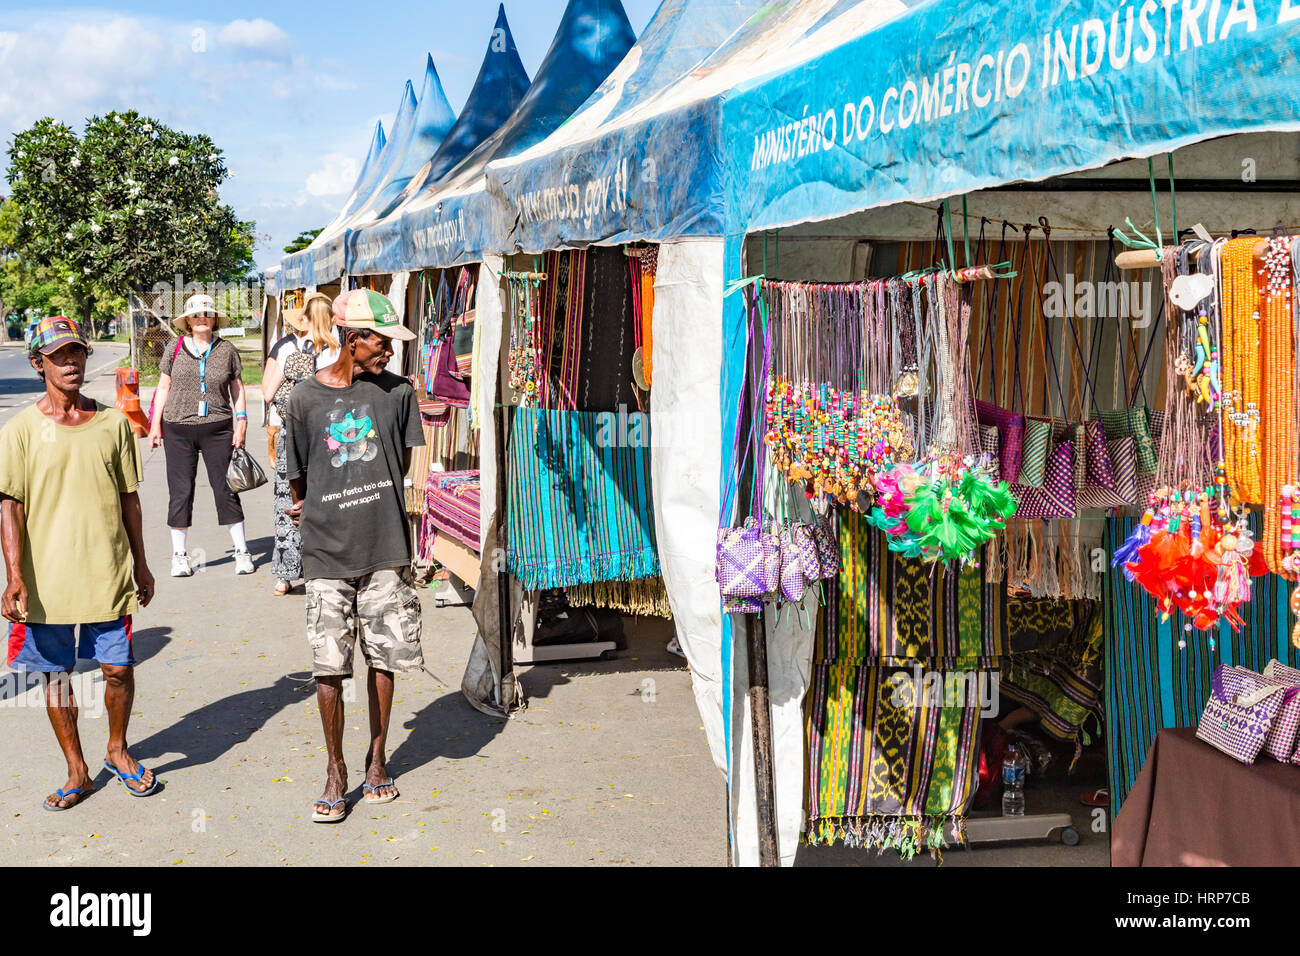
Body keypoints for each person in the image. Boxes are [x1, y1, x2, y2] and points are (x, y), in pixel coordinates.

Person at [0, 316, 158, 810]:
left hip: (106, 573)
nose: (71, 363)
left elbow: (129, 499)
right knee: (55, 673)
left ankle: (117, 749)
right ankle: (76, 768)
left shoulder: (112, 423)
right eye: (59, 356)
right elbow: (10, 504)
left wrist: (142, 563)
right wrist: (14, 577)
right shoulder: (21, 430)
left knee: (117, 668)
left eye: (78, 353)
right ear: (38, 364)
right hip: (46, 581)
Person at [284, 289, 422, 823]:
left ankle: (379, 758)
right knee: (328, 667)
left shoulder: (398, 393)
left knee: (383, 658)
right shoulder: (304, 400)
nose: (388, 349)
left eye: (389, 340)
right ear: (349, 338)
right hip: (325, 553)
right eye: (379, 340)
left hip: (385, 546)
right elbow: (297, 475)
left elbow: (400, 464)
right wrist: (313, 507)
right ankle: (336, 768)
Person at [147, 293, 254, 577]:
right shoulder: (174, 347)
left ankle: (242, 552)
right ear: (188, 322)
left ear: (214, 319)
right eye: (196, 315)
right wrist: (155, 424)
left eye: (206, 314)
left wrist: (241, 422)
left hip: (218, 428)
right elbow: (163, 387)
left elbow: (238, 389)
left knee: (226, 489)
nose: (201, 319)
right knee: (180, 491)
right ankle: (179, 555)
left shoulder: (227, 350)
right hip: (178, 428)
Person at [262, 292, 339, 596]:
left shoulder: (286, 347)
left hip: (290, 433)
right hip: (328, 434)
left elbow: (268, 392)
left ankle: (285, 574)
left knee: (288, 498)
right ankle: (324, 567)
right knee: (327, 497)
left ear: (304, 317)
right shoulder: (337, 348)